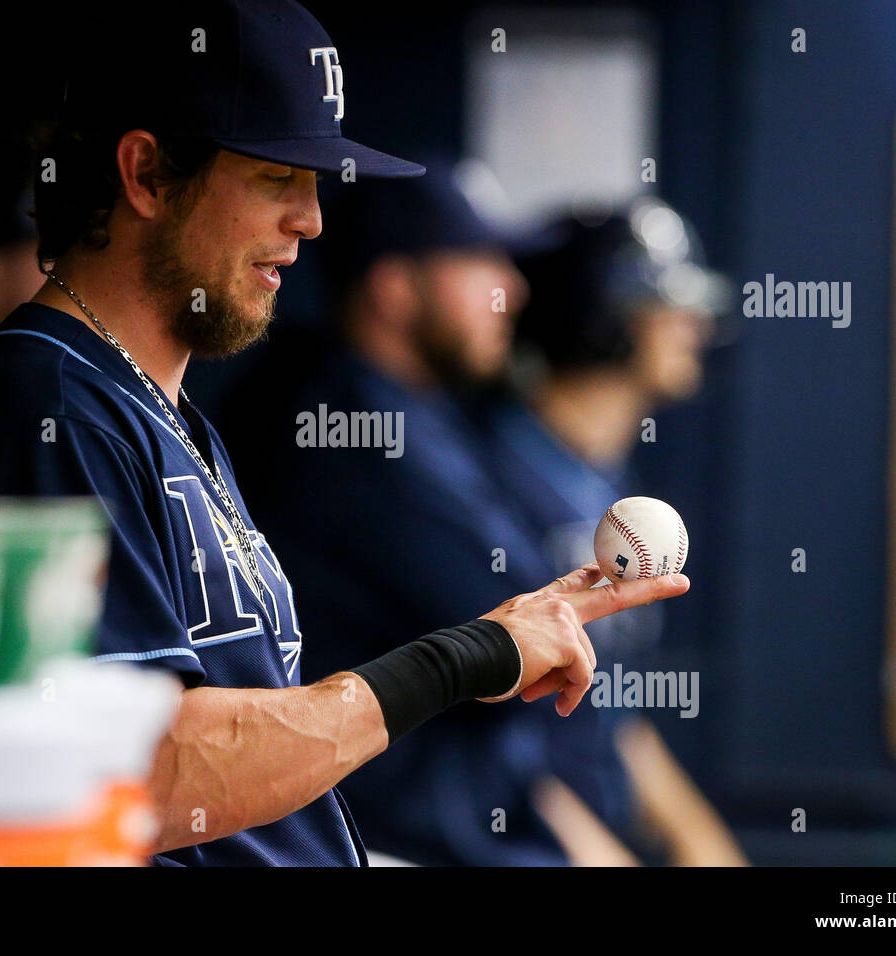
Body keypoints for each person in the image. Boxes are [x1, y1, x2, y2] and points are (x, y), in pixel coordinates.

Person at [0, 0, 689, 867]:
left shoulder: (162, 413)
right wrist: (469, 656)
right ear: (146, 175)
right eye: (277, 178)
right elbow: (141, 778)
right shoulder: (47, 406)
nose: (312, 221)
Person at [219, 162, 650, 865]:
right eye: (478, 263)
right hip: (382, 835)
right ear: (394, 287)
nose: (510, 289)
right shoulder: (345, 423)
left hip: (463, 818)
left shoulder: (426, 408)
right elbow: (521, 641)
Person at [480, 199, 748, 865]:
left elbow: (614, 713)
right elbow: (485, 734)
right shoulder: (496, 479)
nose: (693, 326)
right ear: (603, 318)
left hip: (593, 833)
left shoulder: (600, 482)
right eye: (667, 304)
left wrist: (700, 841)